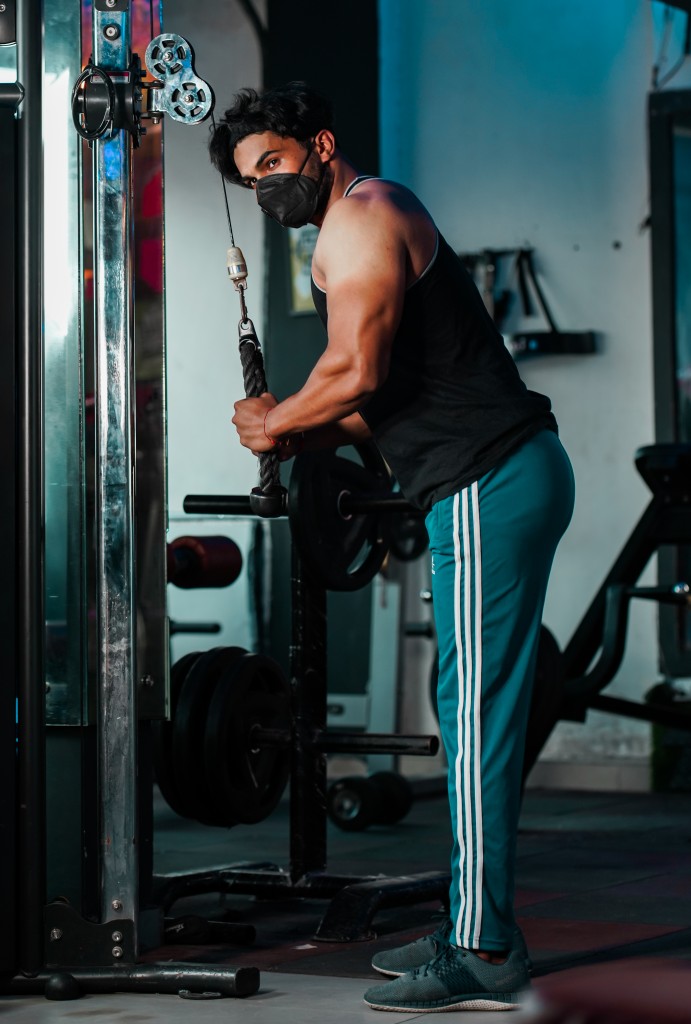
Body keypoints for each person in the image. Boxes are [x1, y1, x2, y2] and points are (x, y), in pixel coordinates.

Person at [209, 81, 575, 1013]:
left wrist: (272, 424)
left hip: (485, 482)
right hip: (505, 473)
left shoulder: (360, 219)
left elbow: (353, 372)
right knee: (472, 711)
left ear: (320, 146)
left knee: (471, 722)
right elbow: (379, 403)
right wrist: (292, 433)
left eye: (275, 167)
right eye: (252, 183)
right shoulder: (368, 223)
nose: (267, 193)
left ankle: (483, 950)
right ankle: (467, 918)